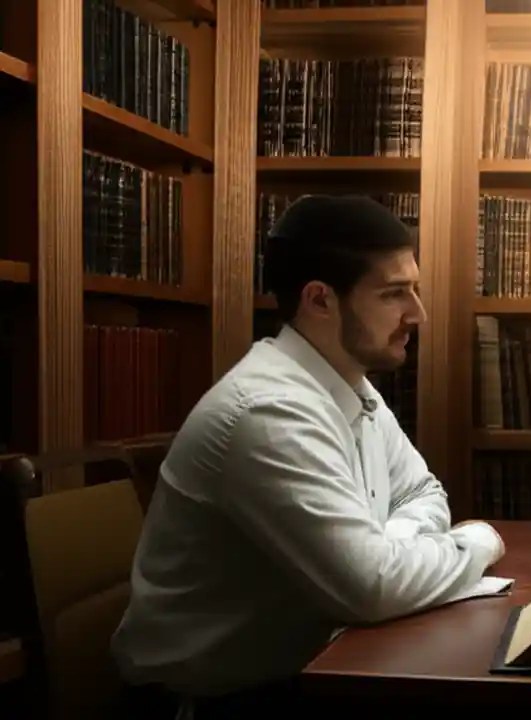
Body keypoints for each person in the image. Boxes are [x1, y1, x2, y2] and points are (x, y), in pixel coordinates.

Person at [113, 195, 506, 716]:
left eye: (415, 289)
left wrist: (382, 545)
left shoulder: (348, 385)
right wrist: (478, 541)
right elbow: (371, 587)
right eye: (394, 294)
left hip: (312, 669)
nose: (419, 313)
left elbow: (422, 492)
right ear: (320, 300)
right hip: (217, 702)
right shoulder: (269, 411)